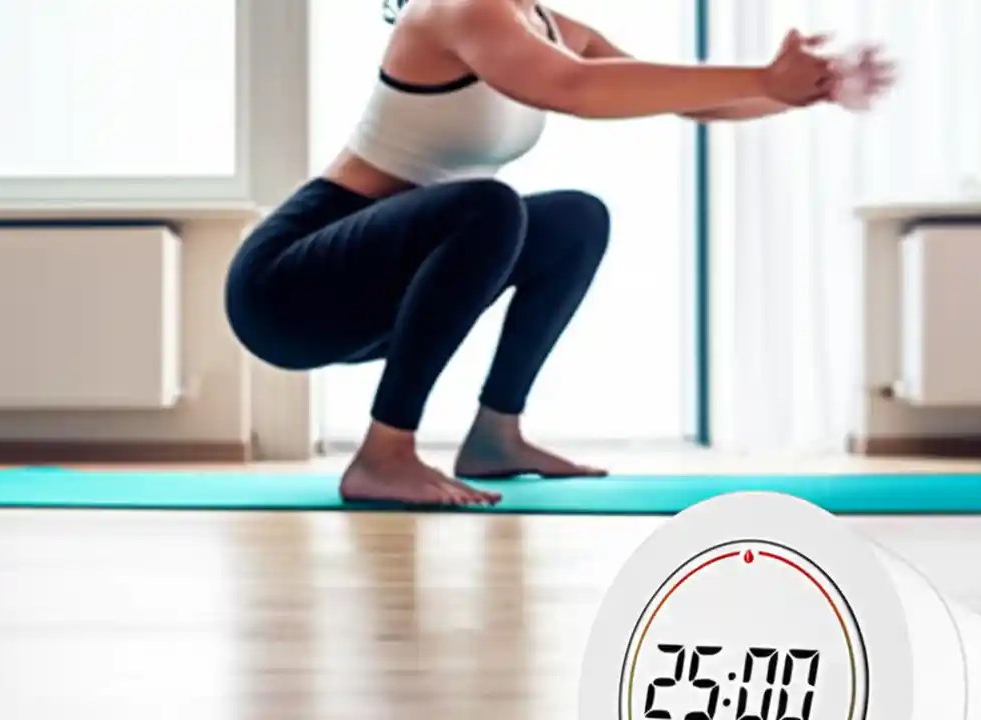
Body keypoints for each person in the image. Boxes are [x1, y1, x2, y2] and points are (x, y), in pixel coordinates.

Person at [224, 0, 895, 508]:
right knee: (488, 206)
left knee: (574, 218)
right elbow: (574, 89)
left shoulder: (544, 22)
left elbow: (696, 102)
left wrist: (805, 90)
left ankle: (495, 436)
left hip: (385, 290)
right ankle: (383, 455)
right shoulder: (461, 8)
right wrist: (765, 74)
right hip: (289, 289)